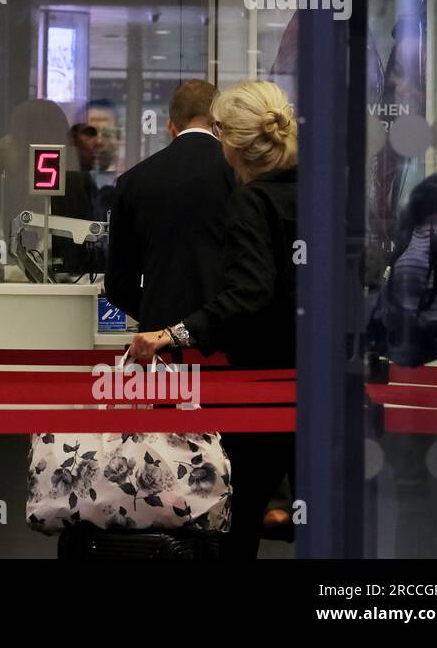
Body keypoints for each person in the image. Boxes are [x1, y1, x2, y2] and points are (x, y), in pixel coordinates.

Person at [129, 79, 298, 559]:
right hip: (318, 381)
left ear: (228, 139)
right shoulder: (316, 190)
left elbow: (249, 293)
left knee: (234, 523)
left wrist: (174, 333)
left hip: (264, 385)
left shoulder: (251, 202)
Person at [104, 79, 235, 334]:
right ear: (219, 125)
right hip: (228, 335)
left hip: (161, 335)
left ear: (170, 127)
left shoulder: (132, 182)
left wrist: (162, 316)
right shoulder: (239, 174)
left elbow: (118, 285)